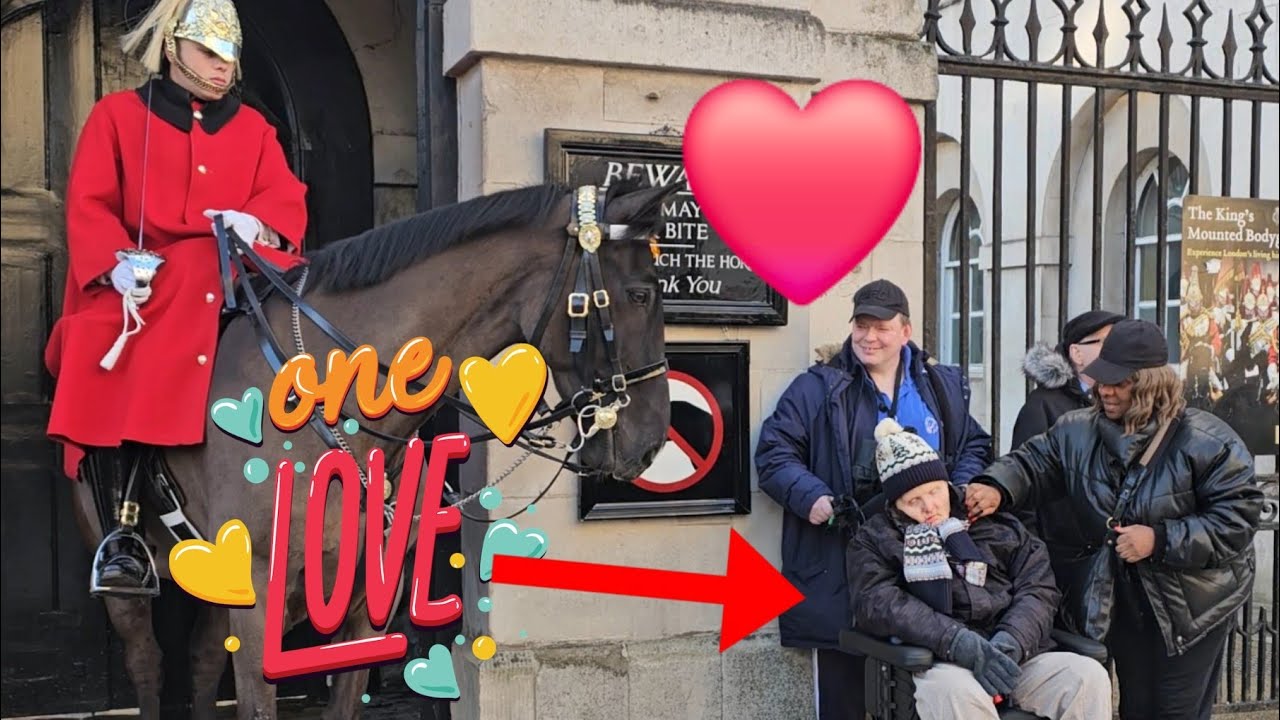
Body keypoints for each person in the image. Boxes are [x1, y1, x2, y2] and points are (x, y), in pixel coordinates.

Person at [43, 0, 308, 595]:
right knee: (103, 336)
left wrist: (255, 223)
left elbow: (283, 202)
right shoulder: (116, 116)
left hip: (239, 270)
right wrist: (113, 266)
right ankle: (124, 530)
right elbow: (90, 204)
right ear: (173, 49)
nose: (223, 67)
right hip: (145, 279)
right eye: (209, 53)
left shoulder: (255, 129)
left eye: (229, 55)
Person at [965, 319, 1262, 720]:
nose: (1104, 389)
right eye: (1102, 378)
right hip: (1125, 599)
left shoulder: (1209, 440)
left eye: (1118, 382)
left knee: (1176, 711)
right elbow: (1032, 463)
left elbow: (1238, 520)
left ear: (1150, 383)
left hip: (1194, 604)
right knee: (1137, 707)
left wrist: (1159, 539)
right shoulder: (1076, 430)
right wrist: (997, 486)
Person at [755, 279, 993, 719]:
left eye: (881, 327)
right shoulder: (818, 388)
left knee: (929, 687)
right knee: (845, 696)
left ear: (905, 331)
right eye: (861, 325)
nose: (869, 337)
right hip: (846, 565)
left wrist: (955, 494)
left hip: (931, 571)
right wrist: (816, 500)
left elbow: (974, 446)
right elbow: (773, 453)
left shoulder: (941, 385)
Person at [847, 418, 1111, 720]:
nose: (929, 507)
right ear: (895, 504)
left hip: (1012, 651)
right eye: (913, 501)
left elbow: (1038, 588)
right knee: (956, 693)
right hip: (939, 662)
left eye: (934, 492)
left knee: (1085, 675)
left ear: (946, 483)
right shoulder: (876, 539)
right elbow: (878, 603)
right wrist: (957, 642)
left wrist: (1012, 640)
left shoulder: (992, 521)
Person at [1009, 309, 1123, 540]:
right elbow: (1022, 482)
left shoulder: (1124, 400)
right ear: (1077, 354)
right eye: (1107, 342)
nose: (1116, 349)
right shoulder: (1042, 405)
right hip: (1063, 547)